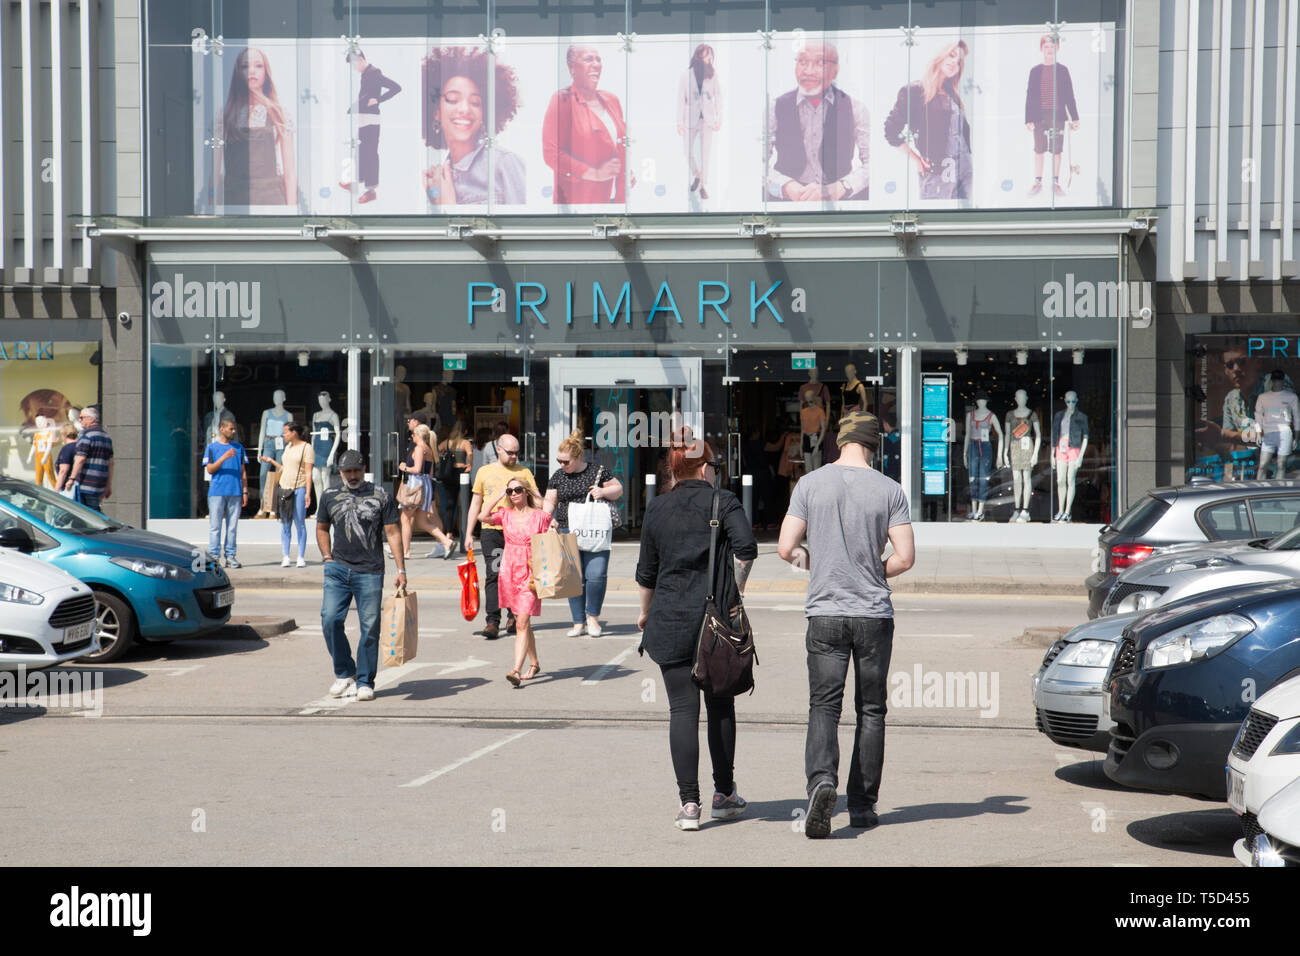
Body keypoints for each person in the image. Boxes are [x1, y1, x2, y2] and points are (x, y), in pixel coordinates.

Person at [777, 410, 915, 839]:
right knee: (871, 710)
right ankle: (863, 806)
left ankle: (821, 783)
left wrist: (820, 567)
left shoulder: (810, 484)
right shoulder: (890, 490)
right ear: (875, 445)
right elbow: (905, 557)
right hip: (873, 614)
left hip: (825, 613)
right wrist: (871, 573)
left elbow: (785, 548)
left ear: (840, 441)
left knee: (824, 706)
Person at [636, 440, 758, 831]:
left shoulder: (656, 506)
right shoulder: (724, 502)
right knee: (720, 705)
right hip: (715, 620)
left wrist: (644, 613)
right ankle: (724, 795)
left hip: (668, 619)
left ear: (673, 471)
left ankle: (689, 805)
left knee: (682, 711)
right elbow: (747, 549)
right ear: (705, 468)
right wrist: (734, 591)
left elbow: (646, 573)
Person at [315, 449, 406, 702]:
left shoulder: (381, 496)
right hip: (337, 569)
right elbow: (322, 527)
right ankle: (345, 672)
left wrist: (401, 569)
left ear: (363, 468)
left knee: (370, 628)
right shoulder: (329, 495)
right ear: (340, 472)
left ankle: (365, 681)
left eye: (356, 470)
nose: (352, 476)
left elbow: (393, 532)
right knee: (329, 620)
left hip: (370, 571)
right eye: (347, 471)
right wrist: (326, 557)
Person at [766, 40, 870, 203]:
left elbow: (874, 164)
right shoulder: (775, 107)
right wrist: (786, 186)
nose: (808, 71)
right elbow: (755, 164)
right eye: (802, 62)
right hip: (787, 202)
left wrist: (842, 187)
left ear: (835, 71)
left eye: (819, 63)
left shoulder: (855, 108)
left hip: (839, 202)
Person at [543, 429, 624, 637]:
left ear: (578, 457)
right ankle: (578, 621)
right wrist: (548, 519)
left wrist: (603, 492)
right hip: (567, 529)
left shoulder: (597, 471)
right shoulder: (558, 476)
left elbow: (618, 489)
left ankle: (593, 619)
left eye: (566, 461)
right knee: (573, 578)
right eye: (559, 461)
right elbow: (549, 500)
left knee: (596, 574)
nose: (562, 465)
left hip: (594, 529)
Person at [422, 46, 525, 206]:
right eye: (452, 99)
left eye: (475, 102)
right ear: (436, 111)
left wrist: (448, 206)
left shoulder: (503, 163)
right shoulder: (438, 178)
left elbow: (525, 227)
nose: (464, 109)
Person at [464, 433, 538, 640]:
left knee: (516, 576)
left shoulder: (524, 472)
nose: (514, 456)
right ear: (498, 449)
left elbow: (536, 498)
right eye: (510, 452)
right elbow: (475, 504)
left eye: (517, 452)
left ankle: (514, 616)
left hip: (518, 531)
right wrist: (469, 532)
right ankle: (492, 620)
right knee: (494, 574)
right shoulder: (484, 472)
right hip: (491, 531)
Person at [542, 45, 633, 204]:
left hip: (615, 200)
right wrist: (593, 173)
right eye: (588, 59)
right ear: (572, 67)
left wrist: (626, 171)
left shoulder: (612, 100)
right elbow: (552, 154)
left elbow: (616, 145)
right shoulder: (562, 100)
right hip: (579, 202)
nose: (596, 64)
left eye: (598, 59)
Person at [481, 481, 551, 686]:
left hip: (531, 572)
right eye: (510, 491)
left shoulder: (539, 516)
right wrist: (499, 494)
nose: (514, 494)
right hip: (509, 571)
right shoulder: (505, 514)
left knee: (521, 623)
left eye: (518, 490)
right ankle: (535, 663)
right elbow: (483, 517)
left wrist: (533, 494)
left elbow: (548, 518)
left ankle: (516, 670)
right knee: (523, 622)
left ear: (526, 492)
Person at [883, 40, 972, 201]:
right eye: (951, 55)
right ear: (940, 56)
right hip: (937, 173)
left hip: (963, 174)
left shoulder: (953, 96)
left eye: (959, 61)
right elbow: (890, 131)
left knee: (961, 223)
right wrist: (916, 158)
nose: (954, 62)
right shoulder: (915, 91)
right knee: (938, 222)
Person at [216, 47, 296, 207]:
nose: (252, 71)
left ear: (266, 72)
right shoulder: (226, 115)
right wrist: (212, 208)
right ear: (238, 72)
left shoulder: (278, 114)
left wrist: (291, 212)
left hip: (270, 200)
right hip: (234, 201)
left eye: (258, 66)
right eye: (245, 66)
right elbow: (215, 172)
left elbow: (290, 173)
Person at [338, 49, 402, 205]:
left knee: (370, 153)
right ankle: (355, 182)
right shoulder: (366, 74)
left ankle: (371, 191)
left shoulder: (374, 73)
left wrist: (378, 100)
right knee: (361, 150)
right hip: (364, 118)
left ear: (360, 59)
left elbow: (396, 87)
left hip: (371, 118)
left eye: (354, 64)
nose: (354, 68)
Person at [1024, 34, 1079, 197]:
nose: (1049, 50)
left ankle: (1055, 181)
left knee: (1056, 149)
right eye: (1046, 47)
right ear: (1042, 49)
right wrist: (1028, 119)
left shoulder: (1062, 70)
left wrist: (1075, 117)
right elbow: (1030, 95)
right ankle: (1037, 181)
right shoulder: (1035, 71)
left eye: (1052, 47)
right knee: (1039, 148)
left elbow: (1070, 94)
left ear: (1057, 48)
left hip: (1057, 116)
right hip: (1039, 116)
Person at [396, 419, 456, 559]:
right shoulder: (429, 449)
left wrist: (404, 467)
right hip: (426, 485)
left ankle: (405, 552)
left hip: (414, 485)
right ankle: (446, 541)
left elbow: (416, 469)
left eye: (414, 435)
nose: (412, 436)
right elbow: (430, 473)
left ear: (419, 435)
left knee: (405, 518)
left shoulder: (419, 448)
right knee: (422, 522)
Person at [259, 422, 314, 567]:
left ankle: (301, 556)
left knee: (300, 523)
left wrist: (308, 493)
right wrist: (271, 461)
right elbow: (285, 468)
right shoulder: (287, 448)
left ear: (294, 432)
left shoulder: (306, 448)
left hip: (299, 488)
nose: (283, 435)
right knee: (285, 524)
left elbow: (308, 472)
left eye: (285, 432)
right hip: (284, 489)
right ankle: (286, 556)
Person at [202, 418, 249, 568]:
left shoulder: (239, 448)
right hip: (217, 492)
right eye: (231, 429)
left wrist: (245, 491)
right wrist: (224, 457)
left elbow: (243, 472)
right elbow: (209, 469)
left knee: (232, 526)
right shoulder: (211, 447)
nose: (233, 431)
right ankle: (214, 557)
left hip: (235, 491)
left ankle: (230, 556)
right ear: (221, 429)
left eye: (234, 429)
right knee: (215, 526)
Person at [677, 44, 723, 201]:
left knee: (705, 154)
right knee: (687, 150)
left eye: (710, 55)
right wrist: (679, 122)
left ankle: (703, 185)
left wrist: (719, 118)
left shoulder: (712, 74)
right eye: (706, 55)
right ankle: (697, 173)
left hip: (707, 120)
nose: (709, 58)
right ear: (699, 56)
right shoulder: (687, 75)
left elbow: (718, 96)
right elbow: (680, 99)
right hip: (690, 118)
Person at [68, 407, 114, 512]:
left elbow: (80, 458)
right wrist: (108, 485)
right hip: (100, 483)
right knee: (92, 512)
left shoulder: (86, 435)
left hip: (86, 483)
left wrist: (72, 478)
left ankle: (107, 528)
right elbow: (111, 463)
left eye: (82, 418)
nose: (80, 420)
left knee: (89, 514)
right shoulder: (106, 437)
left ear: (91, 419)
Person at [438, 421, 474, 541]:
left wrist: (444, 459)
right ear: (465, 431)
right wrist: (470, 465)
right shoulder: (465, 442)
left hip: (449, 474)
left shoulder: (447, 442)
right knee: (465, 503)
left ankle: (449, 532)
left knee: (450, 504)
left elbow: (438, 450)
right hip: (461, 472)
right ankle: (467, 530)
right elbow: (469, 454)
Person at [52, 423, 79, 493]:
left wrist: (56, 490)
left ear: (64, 435)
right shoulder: (80, 446)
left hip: (68, 487)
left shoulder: (67, 448)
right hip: (78, 485)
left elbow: (63, 471)